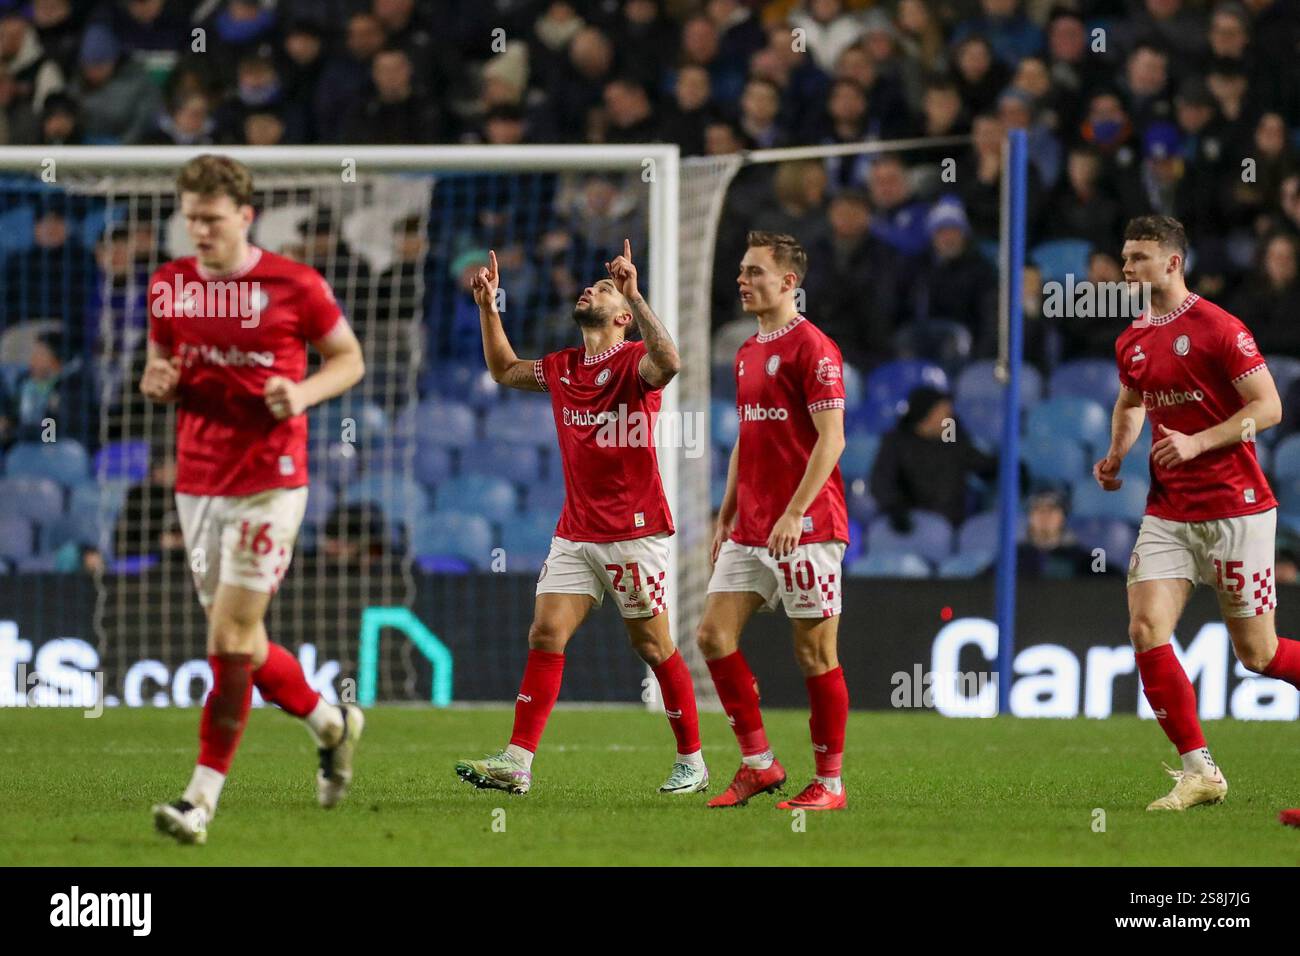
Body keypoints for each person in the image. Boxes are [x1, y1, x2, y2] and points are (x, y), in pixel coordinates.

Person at [141, 154, 367, 844]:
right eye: (190, 220)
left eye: (211, 220)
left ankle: (198, 801)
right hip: (198, 481)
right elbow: (164, 363)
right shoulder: (167, 285)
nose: (198, 232)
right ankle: (332, 724)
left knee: (228, 638)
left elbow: (349, 359)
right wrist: (158, 379)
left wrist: (299, 393)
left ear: (245, 216)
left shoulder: (295, 284)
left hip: (271, 479)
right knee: (244, 640)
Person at [453, 240, 706, 797]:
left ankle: (692, 759)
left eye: (606, 289)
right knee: (545, 632)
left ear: (621, 317)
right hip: (576, 530)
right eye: (595, 285)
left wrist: (636, 293)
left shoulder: (635, 363)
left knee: (653, 646)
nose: (591, 287)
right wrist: (488, 308)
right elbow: (504, 370)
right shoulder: (564, 367)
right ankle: (518, 762)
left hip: (634, 530)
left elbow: (672, 362)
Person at [1094, 214, 1300, 811]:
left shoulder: (1218, 328)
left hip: (1236, 508)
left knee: (1258, 655)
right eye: (1125, 257)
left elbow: (1268, 407)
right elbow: (1132, 401)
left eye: (1139, 258)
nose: (1127, 268)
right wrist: (1115, 453)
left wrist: (1197, 441)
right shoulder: (1131, 340)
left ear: (1173, 263)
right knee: (1144, 628)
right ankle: (1199, 771)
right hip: (1170, 511)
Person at [696, 231, 850, 811]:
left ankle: (829, 784)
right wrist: (726, 510)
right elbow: (748, 437)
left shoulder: (815, 348)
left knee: (814, 655)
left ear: (789, 282)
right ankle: (759, 764)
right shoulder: (744, 352)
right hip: (751, 527)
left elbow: (832, 440)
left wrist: (794, 511)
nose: (742, 280)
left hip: (806, 528)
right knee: (712, 636)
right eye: (741, 270)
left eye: (755, 271)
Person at [870, 384, 998, 532]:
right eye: (943, 412)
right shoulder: (897, 442)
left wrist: (1007, 467)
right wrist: (895, 509)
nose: (949, 416)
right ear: (927, 415)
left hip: (952, 527)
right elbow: (882, 482)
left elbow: (980, 464)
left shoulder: (950, 439)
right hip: (911, 526)